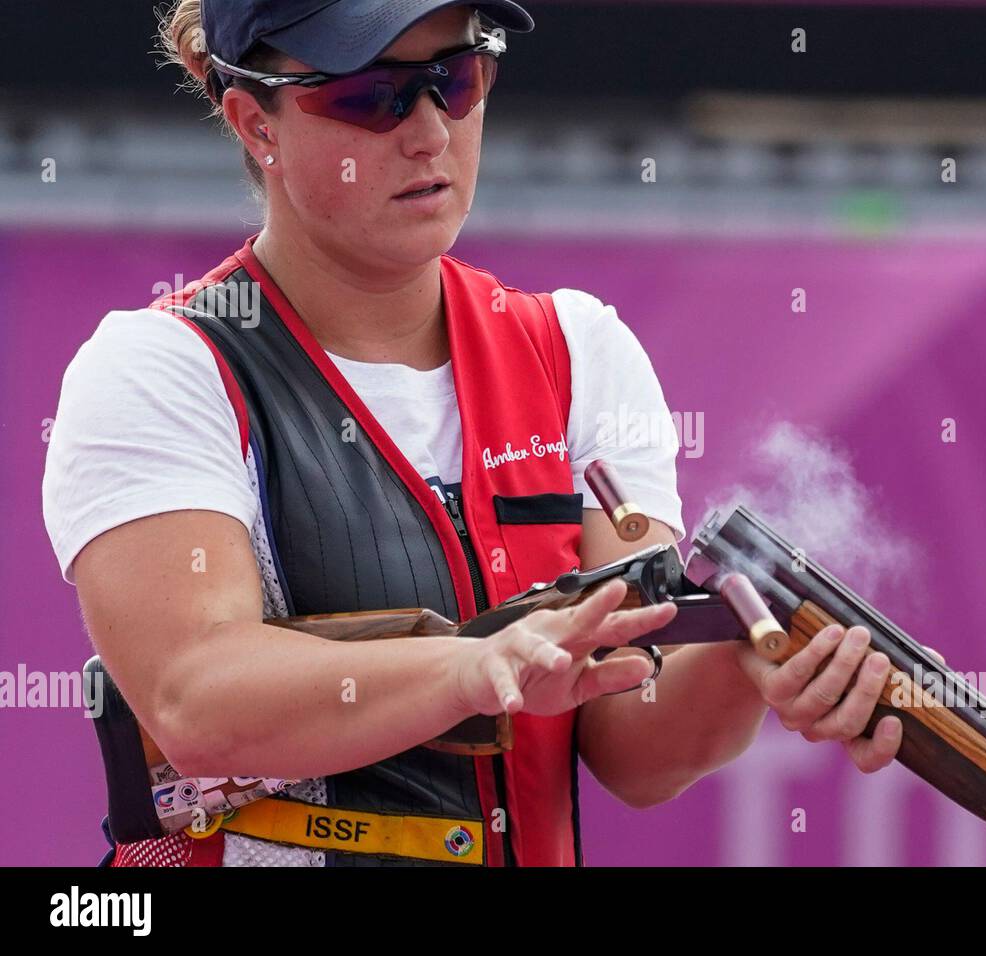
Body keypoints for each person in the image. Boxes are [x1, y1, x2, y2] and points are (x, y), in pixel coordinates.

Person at [42, 0, 907, 867]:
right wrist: (470, 669)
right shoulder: (160, 368)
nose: (428, 133)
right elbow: (197, 703)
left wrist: (743, 663)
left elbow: (632, 749)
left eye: (455, 78)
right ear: (253, 123)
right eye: (369, 94)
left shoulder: (580, 351)